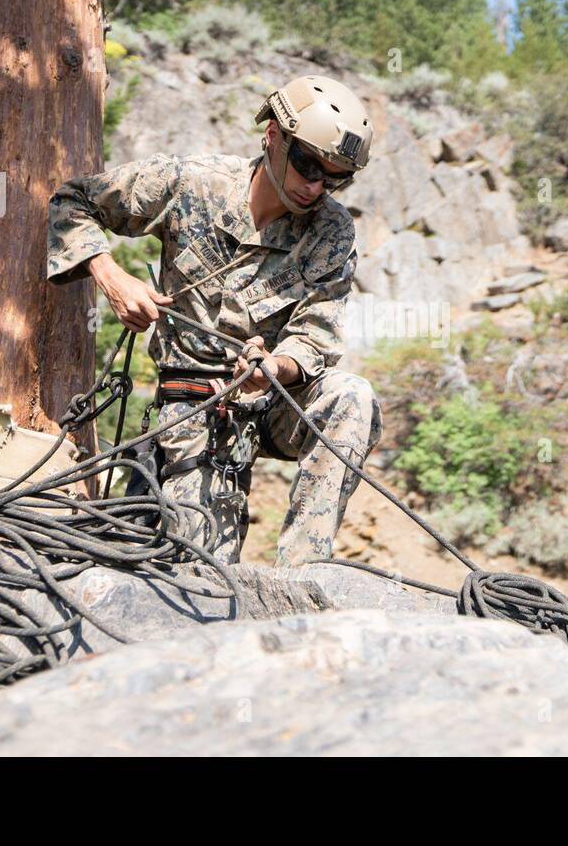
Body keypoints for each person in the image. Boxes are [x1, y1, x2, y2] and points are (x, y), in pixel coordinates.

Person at [46, 75, 383, 567]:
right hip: (191, 408)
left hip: (269, 403)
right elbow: (72, 202)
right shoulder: (191, 183)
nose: (316, 186)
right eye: (310, 165)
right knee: (203, 566)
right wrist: (113, 278)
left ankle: (304, 573)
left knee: (352, 396)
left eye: (335, 178)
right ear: (273, 137)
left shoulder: (332, 231)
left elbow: (315, 335)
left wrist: (278, 365)